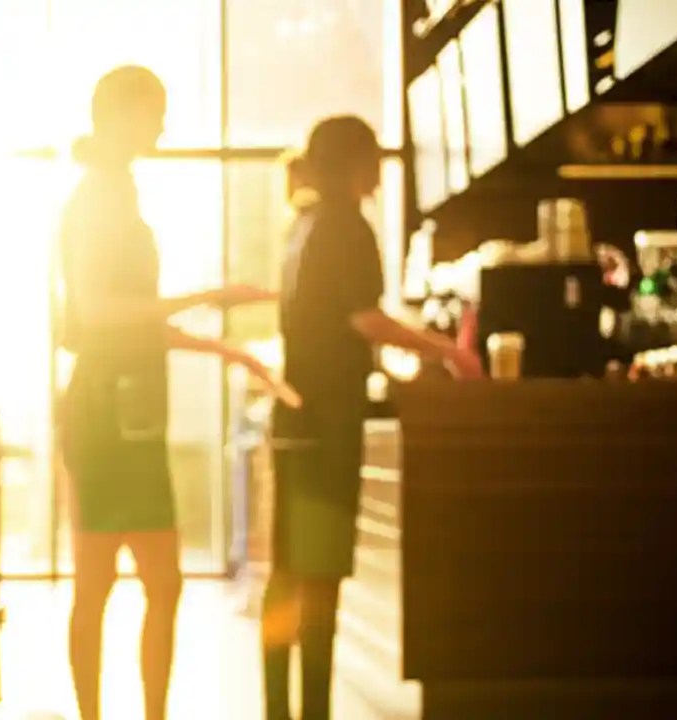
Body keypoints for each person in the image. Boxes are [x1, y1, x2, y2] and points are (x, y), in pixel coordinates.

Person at [57, 65, 299, 720]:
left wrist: (227, 346)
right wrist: (209, 297)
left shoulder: (119, 192)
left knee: (157, 585)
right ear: (120, 113)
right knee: (102, 583)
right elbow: (99, 310)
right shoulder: (97, 198)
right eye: (155, 111)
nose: (162, 125)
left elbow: (132, 324)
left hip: (129, 409)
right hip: (107, 415)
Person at [263, 116, 482, 720]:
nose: (380, 171)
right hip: (329, 422)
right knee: (322, 576)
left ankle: (280, 711)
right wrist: (450, 352)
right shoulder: (345, 226)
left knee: (288, 573)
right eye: (374, 159)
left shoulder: (302, 223)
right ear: (353, 163)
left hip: (294, 417)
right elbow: (365, 320)